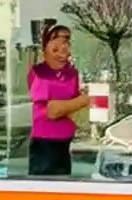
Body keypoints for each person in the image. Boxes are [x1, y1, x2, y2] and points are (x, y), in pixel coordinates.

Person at [27, 24, 89, 176]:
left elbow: (74, 107)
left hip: (67, 142)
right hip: (46, 145)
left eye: (65, 45)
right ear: (45, 50)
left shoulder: (72, 74)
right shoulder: (39, 73)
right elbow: (52, 110)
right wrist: (83, 100)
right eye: (55, 48)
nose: (62, 51)